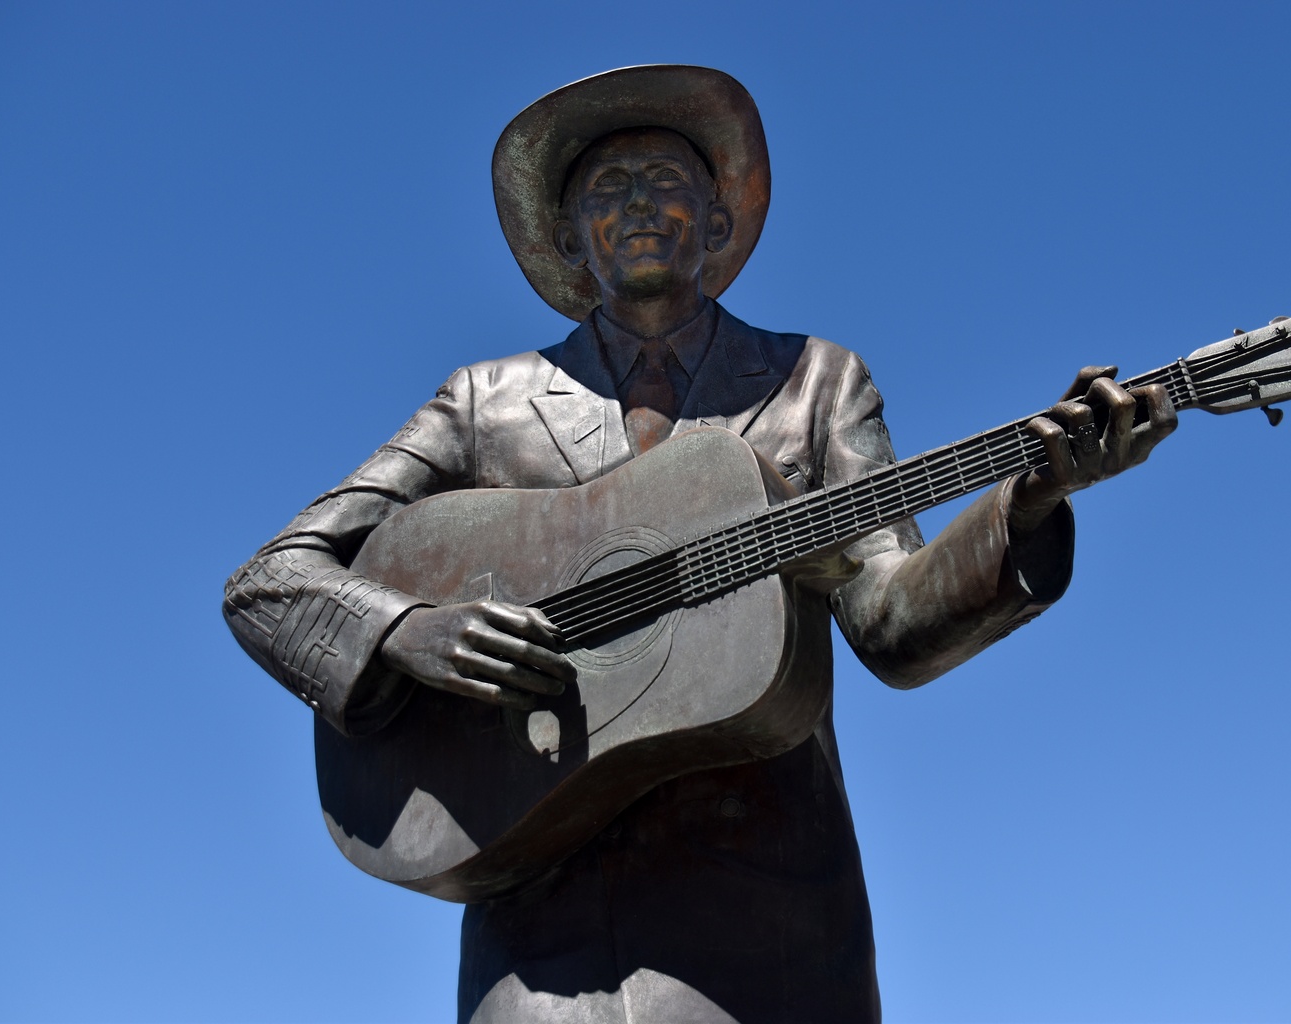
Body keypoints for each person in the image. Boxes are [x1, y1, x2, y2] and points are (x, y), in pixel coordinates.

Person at [223, 65, 1176, 1023]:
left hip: (772, 924)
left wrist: (1029, 502)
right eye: (608, 186)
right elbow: (269, 582)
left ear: (717, 223)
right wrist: (402, 631)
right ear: (568, 239)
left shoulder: (817, 383)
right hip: (538, 924)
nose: (639, 203)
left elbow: (893, 624)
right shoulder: (483, 403)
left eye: (665, 180)